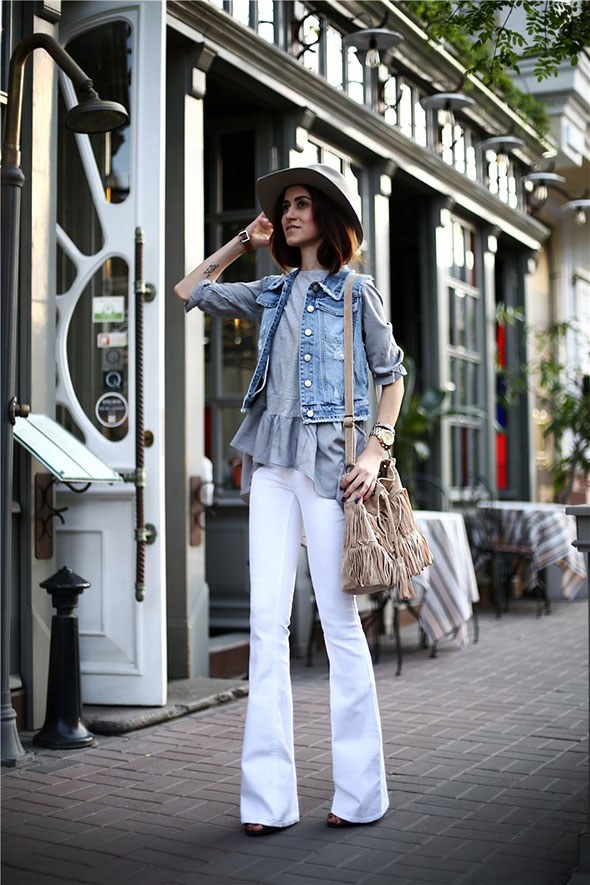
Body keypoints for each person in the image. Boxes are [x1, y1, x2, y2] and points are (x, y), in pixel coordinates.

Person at [174, 164, 406, 836]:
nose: (291, 212)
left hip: (334, 466)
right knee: (265, 626)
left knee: (338, 625)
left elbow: (393, 376)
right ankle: (267, 800)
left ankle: (363, 792)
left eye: (303, 203)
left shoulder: (358, 292)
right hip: (270, 466)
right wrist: (245, 238)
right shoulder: (272, 291)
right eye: (286, 205)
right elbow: (190, 291)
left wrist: (373, 451)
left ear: (329, 217)